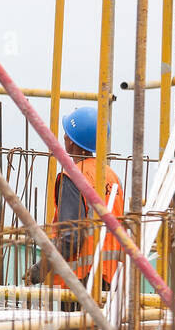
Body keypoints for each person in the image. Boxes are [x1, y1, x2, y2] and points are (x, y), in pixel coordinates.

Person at [26, 105, 123, 299]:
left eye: (66, 133)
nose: (64, 137)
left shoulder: (73, 176)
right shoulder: (112, 176)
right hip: (109, 279)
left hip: (80, 280)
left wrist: (40, 269)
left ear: (71, 141)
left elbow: (71, 239)